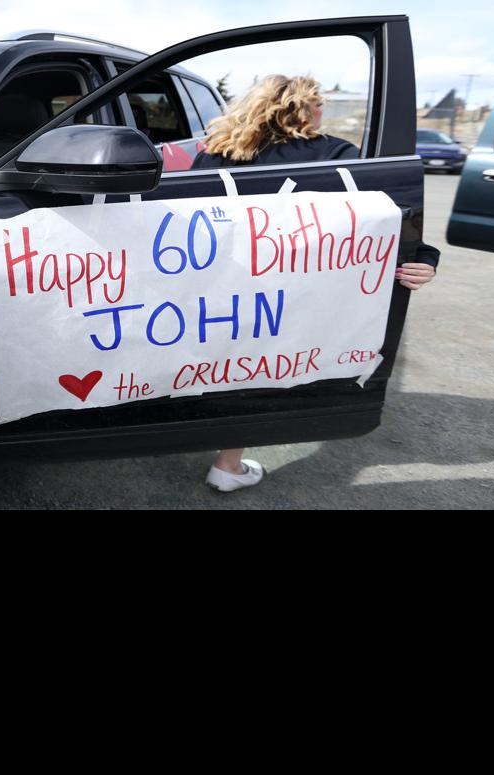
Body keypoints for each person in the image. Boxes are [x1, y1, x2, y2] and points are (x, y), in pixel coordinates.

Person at [190, 75, 440, 492]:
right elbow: (380, 216)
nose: (323, 110)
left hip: (222, 286)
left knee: (222, 360)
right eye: (319, 102)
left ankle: (174, 433)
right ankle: (227, 463)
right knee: (259, 369)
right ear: (303, 108)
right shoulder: (335, 155)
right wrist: (422, 257)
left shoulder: (215, 155)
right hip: (297, 292)